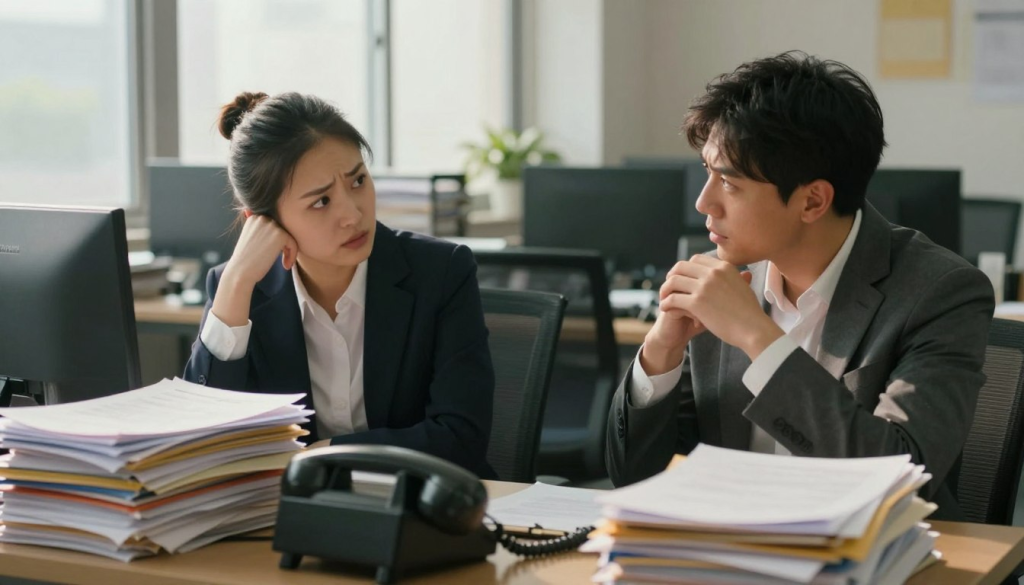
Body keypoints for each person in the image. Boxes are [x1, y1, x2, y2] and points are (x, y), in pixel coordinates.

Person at [605, 52, 994, 520]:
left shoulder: (940, 292)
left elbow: (899, 478)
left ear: (812, 201)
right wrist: (658, 354)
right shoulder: (718, 279)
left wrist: (758, 337)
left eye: (728, 183)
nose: (703, 202)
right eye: (707, 173)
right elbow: (633, 478)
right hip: (730, 553)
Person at [184, 91, 495, 478]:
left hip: (425, 511)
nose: (353, 213)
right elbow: (204, 447)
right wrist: (236, 284)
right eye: (321, 202)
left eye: (358, 181)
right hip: (292, 517)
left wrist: (327, 452)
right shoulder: (239, 291)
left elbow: (461, 439)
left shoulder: (441, 272)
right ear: (263, 222)